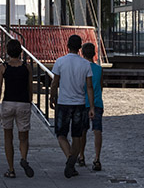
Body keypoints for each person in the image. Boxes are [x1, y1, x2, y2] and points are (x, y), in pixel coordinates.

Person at [51, 33, 94, 179]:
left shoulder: (60, 61)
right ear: (80, 48)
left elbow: (55, 82)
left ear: (67, 46)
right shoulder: (86, 64)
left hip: (64, 102)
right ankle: (72, 161)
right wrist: (92, 107)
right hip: (80, 104)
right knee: (77, 136)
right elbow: (89, 87)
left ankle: (70, 158)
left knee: (61, 134)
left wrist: (52, 96)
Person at [0, 38, 35, 178]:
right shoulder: (27, 67)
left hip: (8, 104)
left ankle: (11, 169)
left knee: (8, 137)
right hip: (23, 103)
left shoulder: (3, 67)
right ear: (20, 51)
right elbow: (30, 87)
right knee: (23, 136)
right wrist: (30, 101)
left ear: (7, 51)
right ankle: (23, 159)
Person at [77, 42, 104, 172]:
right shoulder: (99, 69)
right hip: (97, 102)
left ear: (82, 53)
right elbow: (100, 86)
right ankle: (97, 158)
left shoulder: (81, 68)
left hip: (83, 102)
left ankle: (81, 155)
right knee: (97, 130)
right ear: (94, 54)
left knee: (83, 130)